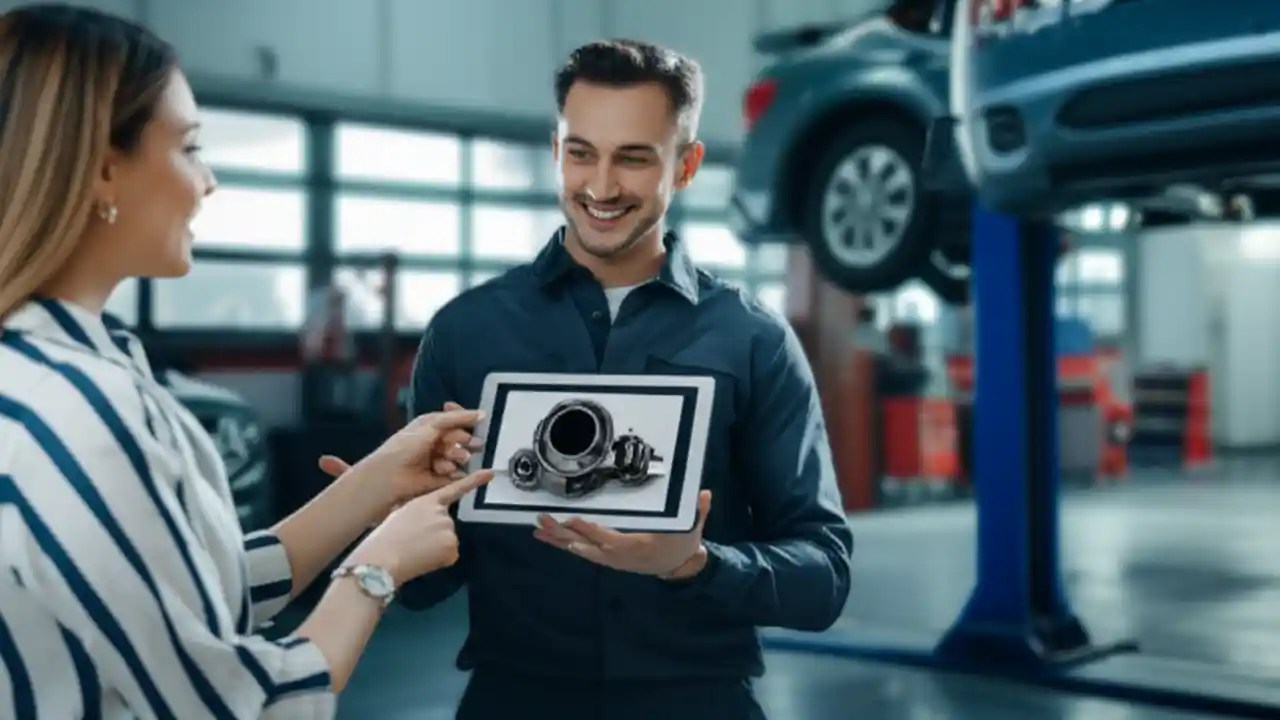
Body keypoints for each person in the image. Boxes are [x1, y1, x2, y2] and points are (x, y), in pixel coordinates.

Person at [328, 39, 855, 719]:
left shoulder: (753, 340)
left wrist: (698, 563)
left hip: (697, 701)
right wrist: (379, 518)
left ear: (686, 165)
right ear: (557, 150)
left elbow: (825, 576)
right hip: (513, 700)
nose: (601, 187)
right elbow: (431, 583)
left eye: (634, 158)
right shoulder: (466, 333)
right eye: (582, 153)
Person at [0, 5, 492, 718]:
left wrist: (378, 483)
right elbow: (249, 708)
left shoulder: (67, 367)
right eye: (190, 146)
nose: (208, 182)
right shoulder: (77, 409)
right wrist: (378, 566)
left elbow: (194, 592)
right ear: (105, 169)